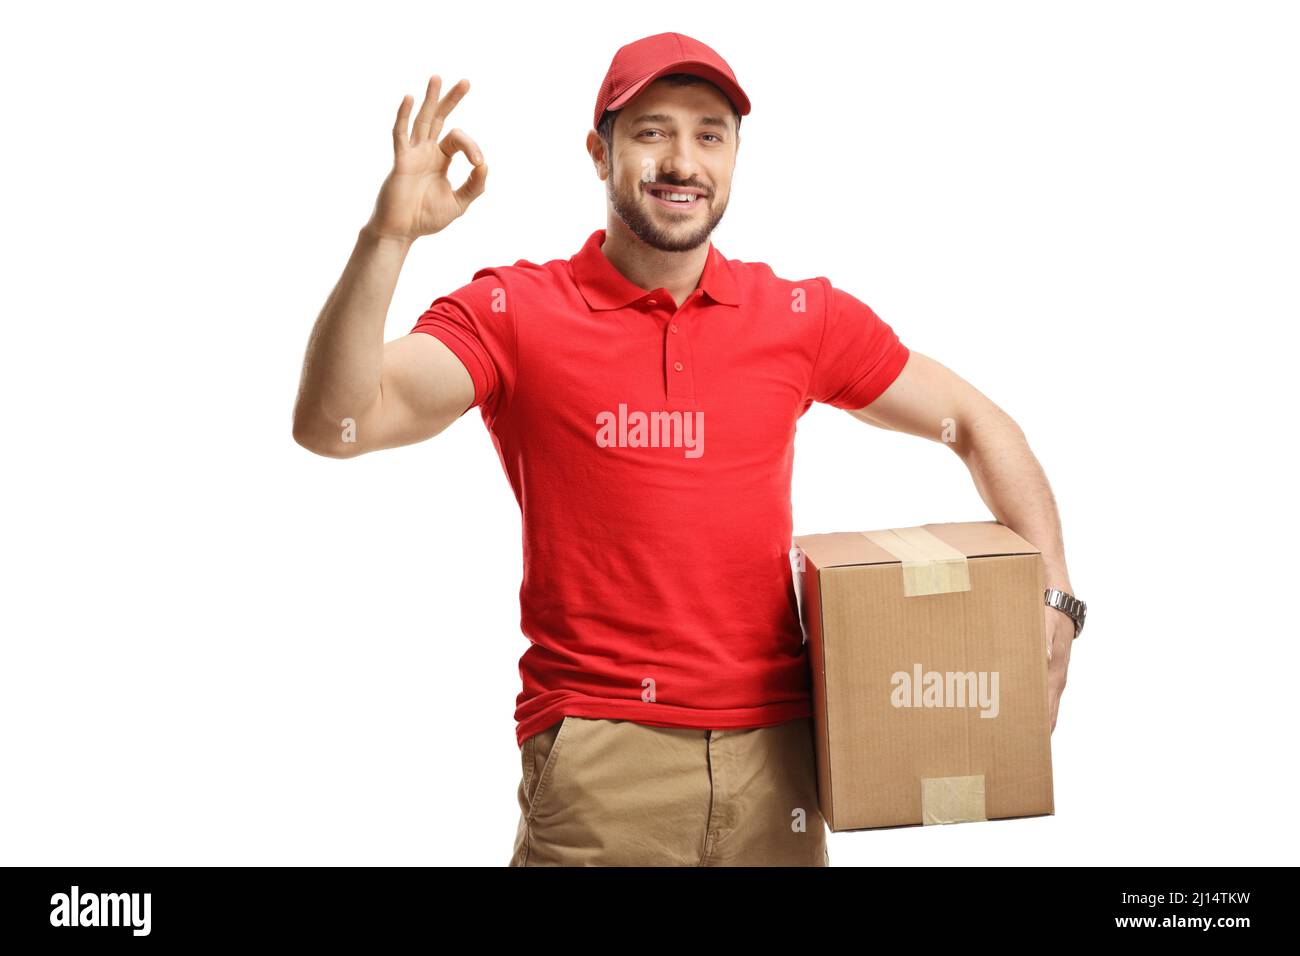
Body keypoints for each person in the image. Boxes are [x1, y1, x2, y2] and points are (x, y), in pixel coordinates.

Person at [291, 32, 1085, 866]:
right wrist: (387, 238)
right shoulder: (514, 312)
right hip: (603, 757)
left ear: (737, 155)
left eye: (710, 133)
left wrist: (1055, 595)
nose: (682, 160)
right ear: (599, 154)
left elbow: (978, 424)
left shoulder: (798, 319)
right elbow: (338, 422)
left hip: (780, 760)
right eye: (651, 131)